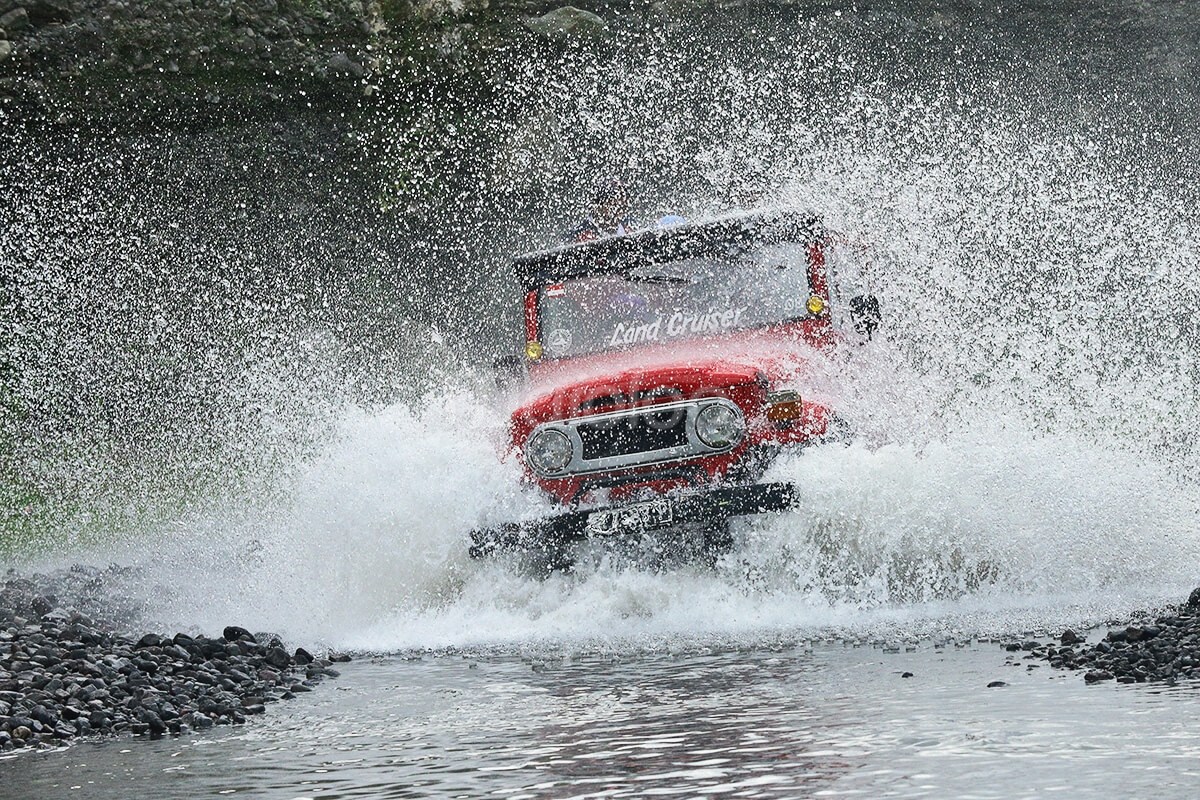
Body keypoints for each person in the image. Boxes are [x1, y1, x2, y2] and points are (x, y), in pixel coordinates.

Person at [565, 176, 638, 243]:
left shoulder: (631, 227)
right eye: (614, 204)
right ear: (596, 206)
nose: (620, 209)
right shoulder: (579, 236)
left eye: (623, 203)